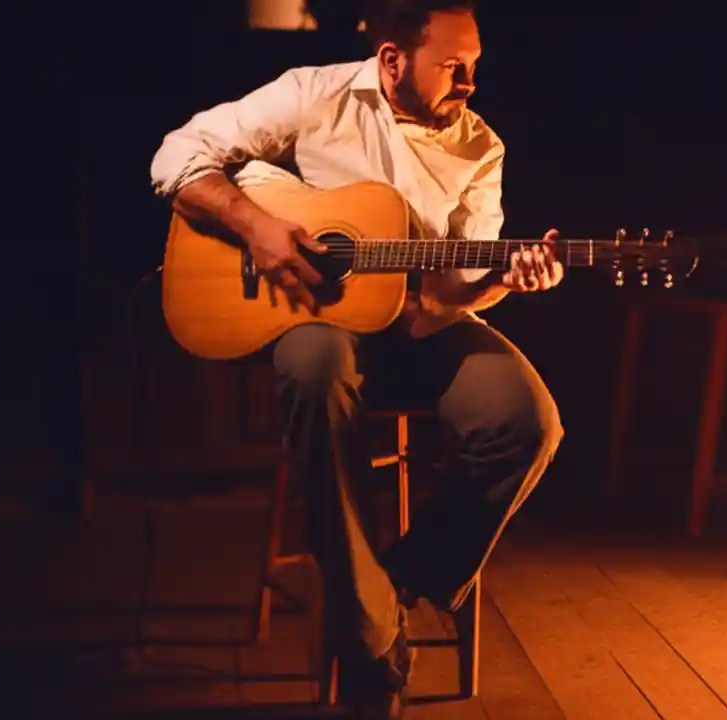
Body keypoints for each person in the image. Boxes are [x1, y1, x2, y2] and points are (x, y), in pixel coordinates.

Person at [149, 1, 564, 716]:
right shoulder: (317, 94)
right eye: (452, 66)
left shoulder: (479, 148)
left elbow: (447, 295)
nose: (468, 82)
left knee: (526, 420)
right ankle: (374, 654)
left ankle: (383, 598)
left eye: (475, 65)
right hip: (315, 320)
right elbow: (175, 156)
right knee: (314, 368)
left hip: (417, 326)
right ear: (394, 60)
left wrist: (499, 279)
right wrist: (258, 228)